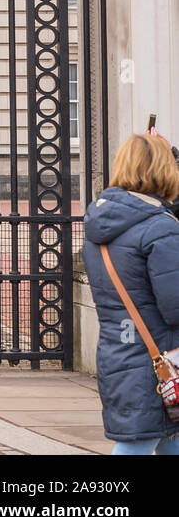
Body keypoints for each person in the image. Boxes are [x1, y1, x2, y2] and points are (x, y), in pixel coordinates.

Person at [83, 132, 179, 455]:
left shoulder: (100, 225)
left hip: (119, 353)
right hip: (160, 361)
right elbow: (175, 306)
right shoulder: (161, 228)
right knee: (137, 443)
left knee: (163, 439)